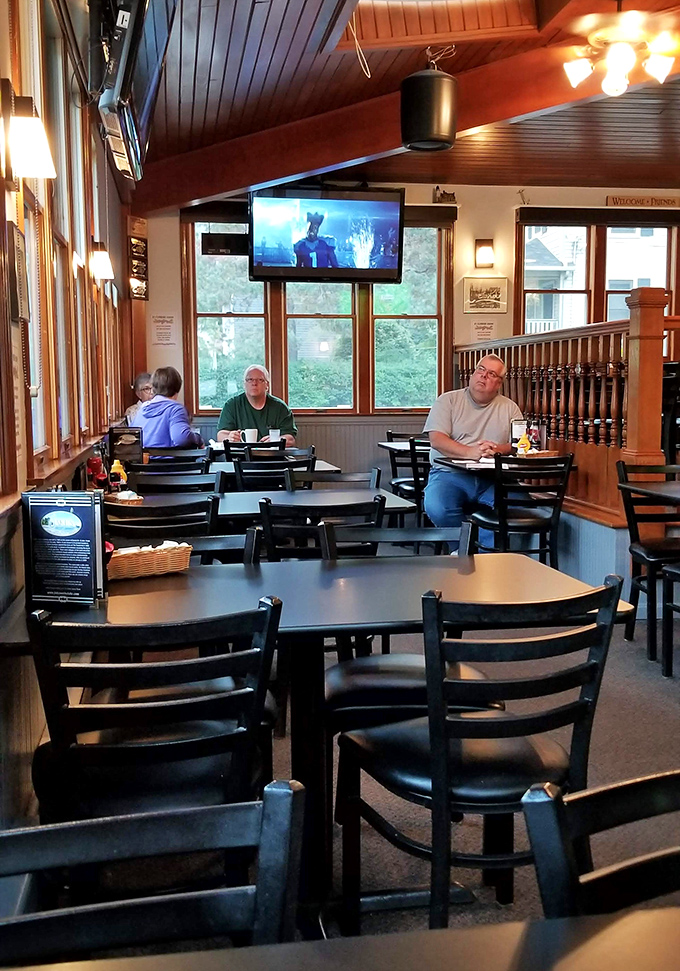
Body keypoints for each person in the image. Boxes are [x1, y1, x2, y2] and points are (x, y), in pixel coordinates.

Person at [423, 354, 522, 548]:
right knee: (438, 507)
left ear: (499, 383)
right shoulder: (448, 401)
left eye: (491, 373)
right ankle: (463, 552)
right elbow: (436, 439)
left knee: (519, 505)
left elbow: (519, 443)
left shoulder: (510, 408)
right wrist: (470, 452)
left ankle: (485, 556)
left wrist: (496, 449)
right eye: (481, 369)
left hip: (492, 478)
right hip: (449, 475)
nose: (483, 376)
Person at [216, 365, 297, 445]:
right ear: (244, 384)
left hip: (273, 456)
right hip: (240, 456)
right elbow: (221, 435)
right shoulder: (231, 405)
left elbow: (290, 438)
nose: (254, 383)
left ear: (267, 385)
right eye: (250, 379)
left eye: (260, 380)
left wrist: (276, 440)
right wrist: (230, 437)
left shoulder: (280, 408)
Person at [136, 366, 203, 448]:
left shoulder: (142, 409)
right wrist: (198, 439)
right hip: (168, 460)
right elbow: (181, 438)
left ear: (153, 388)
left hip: (144, 460)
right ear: (177, 388)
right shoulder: (176, 409)